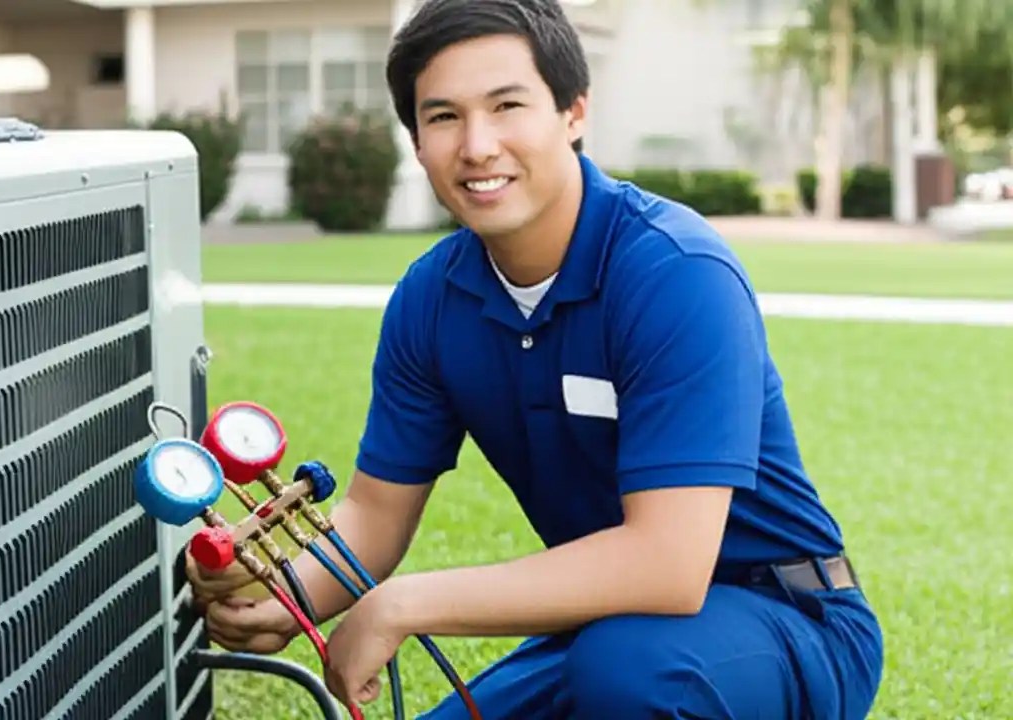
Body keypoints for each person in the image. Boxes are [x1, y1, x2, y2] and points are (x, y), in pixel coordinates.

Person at [187, 0, 885, 717]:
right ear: (418, 141)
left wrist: (405, 604)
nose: (478, 145)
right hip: (609, 628)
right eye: (443, 117)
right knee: (605, 666)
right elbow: (373, 513)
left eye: (507, 105)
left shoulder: (676, 272)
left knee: (632, 676)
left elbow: (669, 565)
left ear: (574, 112)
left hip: (785, 617)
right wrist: (284, 597)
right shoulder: (431, 299)